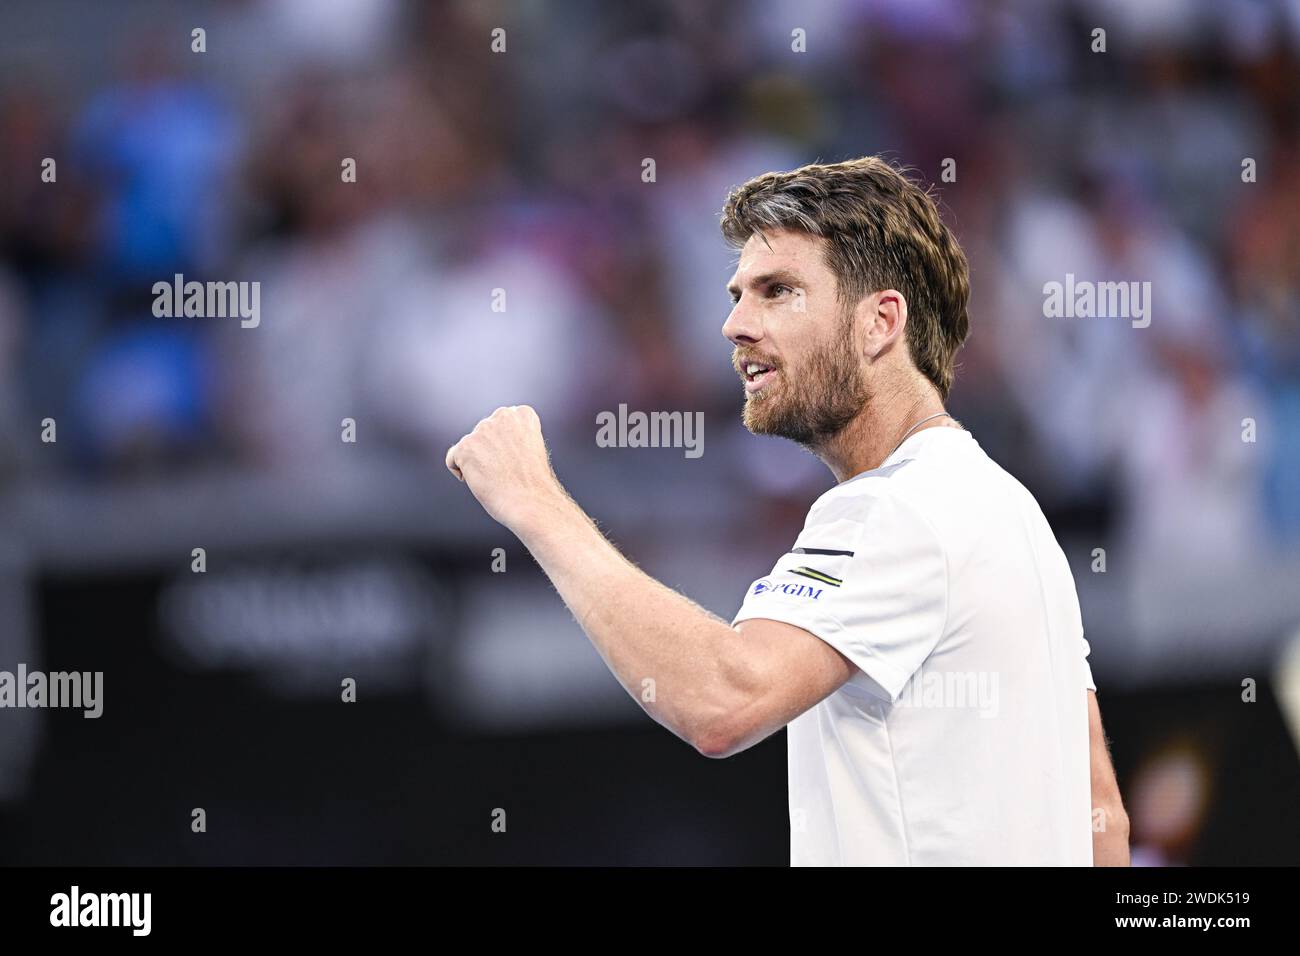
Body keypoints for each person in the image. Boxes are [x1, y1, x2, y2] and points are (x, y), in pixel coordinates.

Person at [445, 157, 1129, 866]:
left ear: (879, 323)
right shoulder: (1011, 509)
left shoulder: (893, 510)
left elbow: (722, 700)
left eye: (779, 292)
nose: (735, 324)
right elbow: (1100, 816)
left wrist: (536, 502)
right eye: (738, 294)